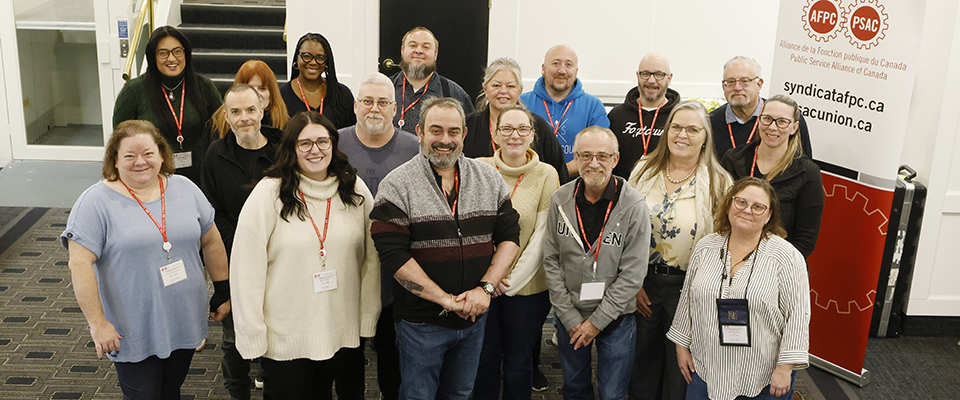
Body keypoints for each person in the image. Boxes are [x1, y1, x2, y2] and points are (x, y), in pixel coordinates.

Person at [62, 120, 231, 398]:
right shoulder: (95, 203)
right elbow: (79, 263)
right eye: (129, 156)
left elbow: (211, 239)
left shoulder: (184, 188)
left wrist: (222, 288)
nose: (140, 162)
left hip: (183, 317)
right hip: (132, 326)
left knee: (170, 389)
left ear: (162, 155)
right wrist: (98, 323)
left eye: (148, 153)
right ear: (114, 161)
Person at [371, 97, 521, 400]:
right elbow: (393, 255)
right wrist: (447, 301)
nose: (445, 140)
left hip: (474, 318)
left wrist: (486, 289)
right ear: (420, 133)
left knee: (459, 393)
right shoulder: (397, 185)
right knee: (418, 395)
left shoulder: (489, 178)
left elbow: (510, 236)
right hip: (421, 323)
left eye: (453, 132)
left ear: (464, 135)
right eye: (436, 131)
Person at [229, 111, 380, 399]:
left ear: (334, 145)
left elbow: (372, 257)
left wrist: (367, 315)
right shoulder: (269, 193)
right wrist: (251, 333)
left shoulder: (353, 188)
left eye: (323, 142)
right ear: (291, 149)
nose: (315, 150)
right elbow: (246, 268)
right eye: (305, 143)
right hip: (285, 337)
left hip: (338, 329)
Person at [626, 100, 732, 400]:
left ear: (705, 137)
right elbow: (625, 230)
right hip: (644, 281)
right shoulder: (644, 170)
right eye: (676, 127)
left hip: (688, 287)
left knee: (681, 367)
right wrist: (633, 283)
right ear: (667, 130)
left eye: (692, 129)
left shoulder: (719, 182)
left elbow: (724, 244)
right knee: (642, 362)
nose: (682, 134)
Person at [668, 177, 810, 400]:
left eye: (758, 207)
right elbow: (688, 298)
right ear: (729, 205)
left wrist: (785, 368)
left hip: (762, 373)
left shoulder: (787, 257)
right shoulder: (706, 246)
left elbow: (798, 316)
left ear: (769, 215)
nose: (747, 210)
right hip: (706, 366)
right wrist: (681, 346)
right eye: (741, 202)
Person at [543, 126, 650, 400]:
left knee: (612, 393)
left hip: (616, 318)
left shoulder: (634, 205)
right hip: (570, 316)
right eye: (586, 155)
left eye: (602, 156)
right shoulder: (560, 200)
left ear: (615, 159)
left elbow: (633, 274)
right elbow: (551, 261)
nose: (594, 163)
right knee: (574, 388)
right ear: (575, 158)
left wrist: (596, 323)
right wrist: (569, 317)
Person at [337, 72, 420, 400]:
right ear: (356, 105)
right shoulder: (335, 144)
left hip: (395, 270)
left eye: (383, 102)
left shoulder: (414, 148)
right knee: (348, 354)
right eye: (368, 101)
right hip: (347, 268)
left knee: (391, 353)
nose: (375, 108)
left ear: (395, 108)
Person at [200, 83, 282, 400]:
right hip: (233, 255)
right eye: (236, 112)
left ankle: (269, 379)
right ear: (227, 116)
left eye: (250, 110)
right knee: (234, 335)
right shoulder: (215, 155)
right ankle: (238, 391)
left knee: (274, 327)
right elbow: (212, 211)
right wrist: (243, 247)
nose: (244, 118)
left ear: (262, 110)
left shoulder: (282, 152)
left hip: (277, 256)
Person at [473, 105, 560, 400]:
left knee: (519, 361)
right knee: (483, 360)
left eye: (523, 129)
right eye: (507, 129)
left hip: (527, 288)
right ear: (495, 135)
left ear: (532, 135)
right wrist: (490, 278)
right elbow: (471, 230)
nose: (515, 135)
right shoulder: (478, 168)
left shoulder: (547, 174)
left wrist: (507, 281)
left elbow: (542, 237)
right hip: (482, 284)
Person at [113, 26, 223, 185]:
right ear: (153, 57)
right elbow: (118, 139)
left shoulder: (204, 86)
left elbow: (222, 129)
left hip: (200, 176)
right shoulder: (134, 91)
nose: (172, 59)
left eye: (177, 51)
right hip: (150, 177)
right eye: (163, 53)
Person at [720, 94, 824, 259]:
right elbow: (719, 214)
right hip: (730, 256)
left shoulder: (808, 173)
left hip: (778, 265)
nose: (773, 127)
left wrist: (765, 264)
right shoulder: (733, 159)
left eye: (782, 121)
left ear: (794, 127)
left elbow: (806, 240)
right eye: (767, 118)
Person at [463, 57, 569, 183]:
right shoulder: (468, 125)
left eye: (510, 86)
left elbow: (560, 176)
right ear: (485, 89)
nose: (503, 91)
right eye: (496, 85)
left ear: (520, 91)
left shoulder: (539, 127)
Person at [520, 45, 609, 179]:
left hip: (576, 191)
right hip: (529, 184)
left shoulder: (593, 106)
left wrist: (556, 175)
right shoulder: (522, 103)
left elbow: (599, 151)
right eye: (555, 63)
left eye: (568, 65)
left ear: (576, 71)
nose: (562, 70)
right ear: (543, 69)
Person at [709, 56, 812, 160]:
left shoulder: (787, 119)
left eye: (744, 81)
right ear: (723, 86)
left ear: (759, 84)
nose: (737, 88)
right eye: (731, 81)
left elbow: (805, 167)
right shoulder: (710, 122)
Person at [609, 53, 682, 179]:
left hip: (664, 193)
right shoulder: (616, 115)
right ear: (638, 75)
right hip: (622, 193)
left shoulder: (679, 117)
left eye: (659, 75)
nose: (651, 80)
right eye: (645, 74)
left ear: (669, 78)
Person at [390, 27, 475, 131]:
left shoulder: (454, 93)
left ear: (435, 54)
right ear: (402, 51)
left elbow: (470, 134)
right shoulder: (385, 89)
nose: (418, 51)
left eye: (426, 47)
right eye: (413, 45)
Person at [280, 33, 357, 129]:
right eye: (307, 56)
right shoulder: (280, 95)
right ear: (297, 58)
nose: (313, 62)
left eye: (320, 58)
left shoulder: (342, 94)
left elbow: (352, 132)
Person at [212, 59, 290, 137]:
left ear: (272, 93)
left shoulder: (284, 123)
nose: (256, 94)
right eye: (250, 88)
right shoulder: (219, 122)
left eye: (262, 89)